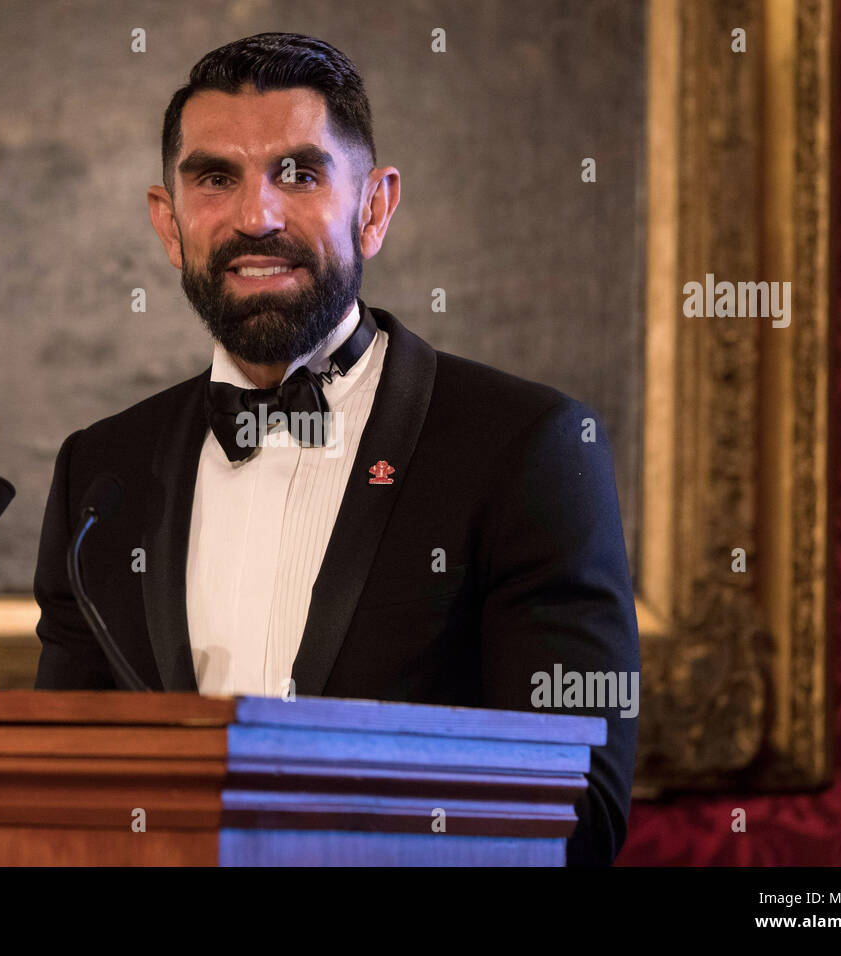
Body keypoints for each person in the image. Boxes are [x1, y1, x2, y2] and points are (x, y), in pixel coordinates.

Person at [34, 32, 639, 866]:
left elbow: (579, 806)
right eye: (216, 178)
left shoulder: (527, 447)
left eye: (300, 173)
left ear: (375, 207)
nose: (257, 217)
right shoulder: (98, 475)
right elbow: (62, 790)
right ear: (168, 224)